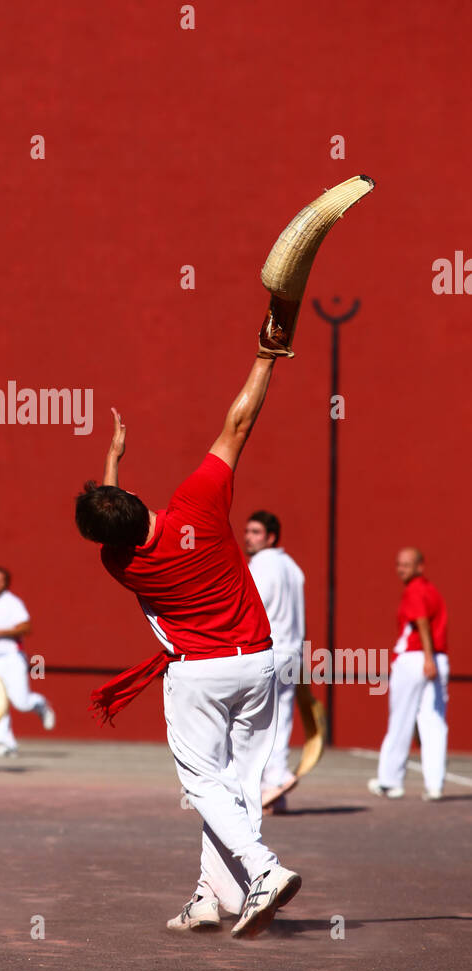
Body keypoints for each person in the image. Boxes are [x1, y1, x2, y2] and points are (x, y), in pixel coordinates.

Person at [75, 351, 301, 939]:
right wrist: (264, 357)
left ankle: (263, 871)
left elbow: (111, 520)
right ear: (137, 500)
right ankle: (210, 895)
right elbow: (238, 424)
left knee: (205, 785)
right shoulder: (198, 502)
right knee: (236, 787)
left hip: (199, 677)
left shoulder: (120, 563)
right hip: (259, 664)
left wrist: (110, 462)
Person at [369, 548, 449, 802]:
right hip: (438, 659)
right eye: (399, 564)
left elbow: (421, 621)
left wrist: (427, 657)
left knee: (401, 720)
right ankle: (434, 785)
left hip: (416, 659)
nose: (401, 569)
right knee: (434, 723)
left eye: (406, 565)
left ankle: (390, 781)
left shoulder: (414, 590)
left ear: (420, 567)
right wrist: (432, 658)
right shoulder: (432, 591)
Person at [244, 511, 306, 813]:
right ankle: (275, 788)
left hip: (268, 652)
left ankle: (263, 786)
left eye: (256, 532)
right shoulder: (293, 568)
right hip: (293, 653)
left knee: (256, 725)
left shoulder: (261, 564)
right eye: (248, 531)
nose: (248, 537)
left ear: (270, 537)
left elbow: (251, 604)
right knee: (280, 723)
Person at [0, 567, 55, 757]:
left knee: (21, 702)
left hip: (12, 658)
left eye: (0, 580)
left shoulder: (13, 603)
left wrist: (0, 632)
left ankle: (40, 704)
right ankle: (5, 743)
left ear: (6, 583)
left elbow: (26, 627)